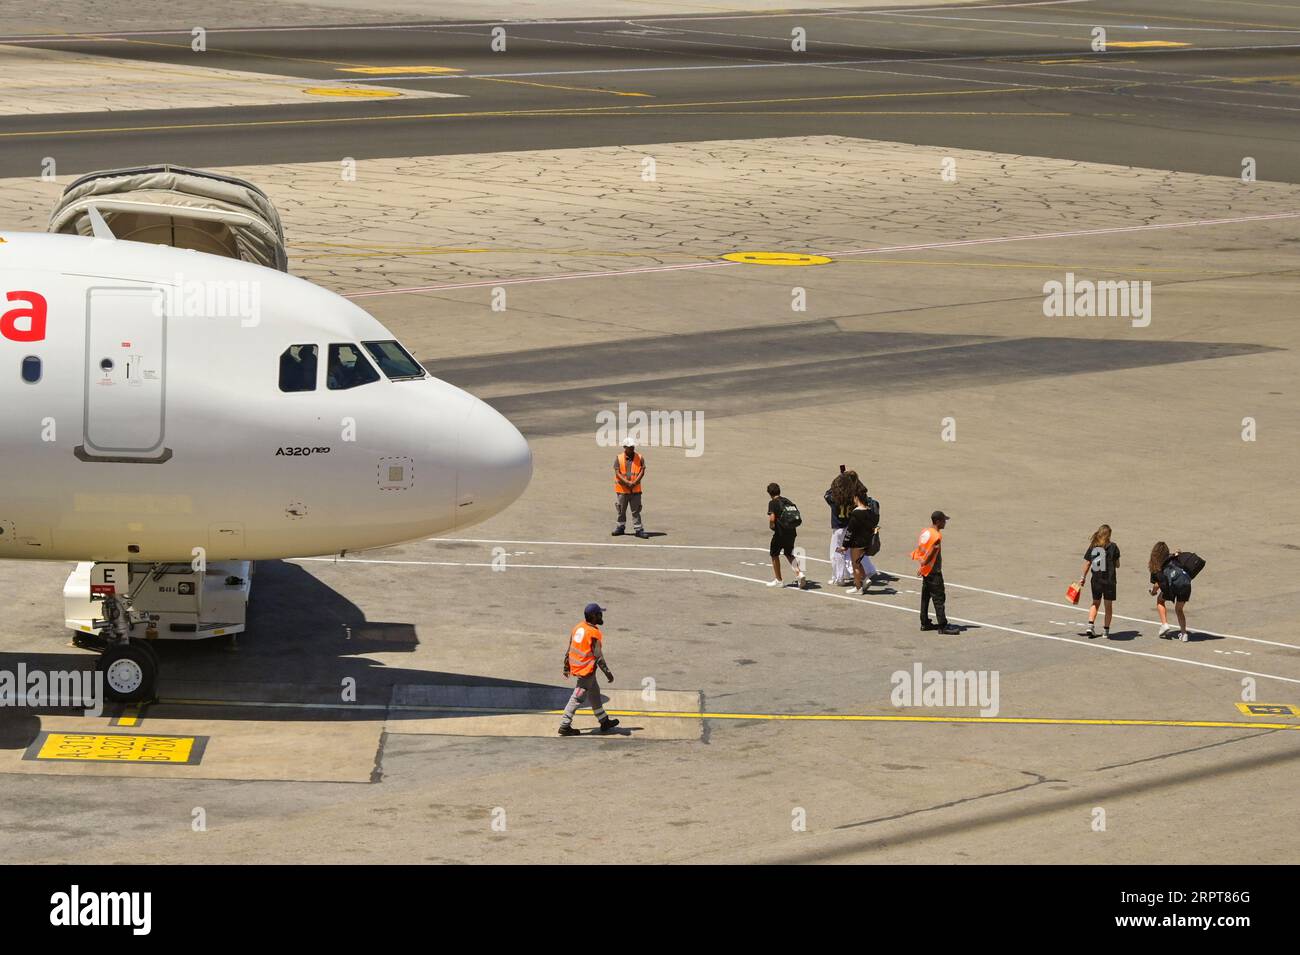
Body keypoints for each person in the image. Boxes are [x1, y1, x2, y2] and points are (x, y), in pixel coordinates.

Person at [558, 602, 620, 736]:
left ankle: (604, 721)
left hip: (579, 668)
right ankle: (564, 725)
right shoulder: (594, 633)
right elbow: (598, 657)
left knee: (595, 693)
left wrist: (566, 666)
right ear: (593, 616)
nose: (601, 616)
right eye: (599, 614)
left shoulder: (577, 627)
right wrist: (608, 674)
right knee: (577, 698)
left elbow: (570, 648)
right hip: (585, 672)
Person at [912, 510, 959, 634]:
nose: (945, 523)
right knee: (939, 598)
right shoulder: (937, 537)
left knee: (925, 597)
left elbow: (921, 550)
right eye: (944, 520)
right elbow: (932, 552)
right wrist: (924, 564)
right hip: (933, 571)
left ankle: (925, 622)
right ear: (938, 521)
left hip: (926, 572)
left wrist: (921, 566)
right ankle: (943, 626)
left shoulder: (925, 532)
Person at [1077, 524, 1120, 639]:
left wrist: (1083, 577)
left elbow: (1087, 563)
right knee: (1108, 606)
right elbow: (1118, 564)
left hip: (1096, 579)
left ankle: (1090, 625)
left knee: (1095, 602)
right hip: (1109, 580)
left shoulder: (1094, 547)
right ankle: (1106, 631)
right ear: (1109, 535)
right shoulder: (1113, 547)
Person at [766, 482, 807, 588]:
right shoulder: (788, 501)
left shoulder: (773, 502)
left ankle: (779, 580)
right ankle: (799, 573)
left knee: (774, 554)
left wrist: (772, 527)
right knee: (789, 553)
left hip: (780, 533)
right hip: (791, 532)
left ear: (770, 493)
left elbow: (772, 518)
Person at [1148, 542, 1191, 641]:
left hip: (1172, 587)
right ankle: (1184, 634)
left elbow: (1158, 584)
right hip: (1185, 584)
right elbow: (1179, 555)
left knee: (1160, 600)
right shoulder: (1173, 557)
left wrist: (1153, 591)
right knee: (1179, 609)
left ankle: (1165, 624)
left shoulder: (1156, 566)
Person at [842, 488, 878, 595]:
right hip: (866, 542)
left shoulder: (856, 513)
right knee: (858, 562)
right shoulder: (869, 511)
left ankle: (858, 587)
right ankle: (866, 579)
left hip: (857, 543)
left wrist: (845, 545)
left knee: (855, 564)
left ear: (857, 498)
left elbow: (850, 531)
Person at [825, 469, 855, 587]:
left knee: (835, 554)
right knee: (846, 552)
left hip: (838, 528)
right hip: (848, 527)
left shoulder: (834, 499)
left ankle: (838, 577)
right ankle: (845, 574)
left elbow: (827, 493)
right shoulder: (851, 498)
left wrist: (840, 480)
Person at [612, 441, 647, 538]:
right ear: (624, 447)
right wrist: (627, 482)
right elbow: (617, 472)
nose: (632, 448)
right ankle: (620, 527)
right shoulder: (618, 458)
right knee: (621, 510)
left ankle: (638, 529)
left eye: (632, 446)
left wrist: (635, 482)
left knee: (636, 511)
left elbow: (642, 471)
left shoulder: (639, 457)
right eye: (629, 447)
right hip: (622, 490)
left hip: (635, 491)